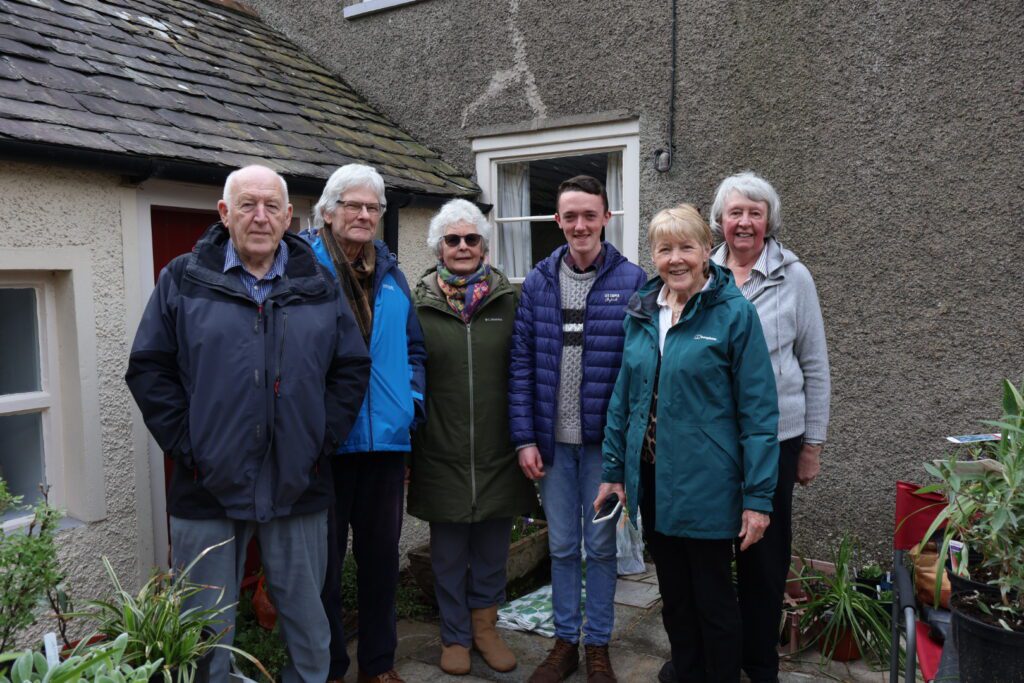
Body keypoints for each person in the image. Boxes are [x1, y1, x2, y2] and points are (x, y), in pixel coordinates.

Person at [126, 165, 370, 683]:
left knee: (309, 625)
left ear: (288, 217)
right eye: (246, 205)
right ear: (224, 213)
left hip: (299, 480)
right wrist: (188, 446)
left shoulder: (318, 284)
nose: (259, 216)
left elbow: (350, 368)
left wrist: (319, 440)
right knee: (201, 631)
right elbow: (149, 368)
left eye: (270, 206)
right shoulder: (182, 279)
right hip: (205, 483)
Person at [596, 203, 780, 683]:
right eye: (664, 249)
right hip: (653, 478)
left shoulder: (732, 313)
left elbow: (759, 412)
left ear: (705, 251)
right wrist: (614, 471)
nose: (676, 259)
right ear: (653, 255)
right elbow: (624, 397)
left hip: (709, 481)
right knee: (674, 593)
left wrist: (758, 499)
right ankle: (688, 669)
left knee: (713, 596)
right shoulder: (643, 309)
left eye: (686, 247)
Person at [509, 175, 647, 683]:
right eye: (571, 216)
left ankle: (598, 646)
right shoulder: (539, 281)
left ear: (606, 218)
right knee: (563, 547)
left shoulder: (633, 281)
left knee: (602, 548)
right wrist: (524, 437)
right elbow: (521, 363)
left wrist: (626, 451)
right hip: (551, 447)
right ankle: (565, 642)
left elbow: (640, 373)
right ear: (558, 221)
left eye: (590, 215)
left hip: (601, 451)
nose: (580, 225)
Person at [305, 164, 426, 683]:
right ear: (328, 213)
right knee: (324, 572)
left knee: (381, 568)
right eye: (352, 206)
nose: (362, 215)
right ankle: (329, 667)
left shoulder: (392, 273)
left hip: (385, 446)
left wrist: (411, 403)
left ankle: (378, 666)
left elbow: (414, 348)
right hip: (326, 446)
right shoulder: (302, 269)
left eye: (372, 207)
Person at [408, 198, 538, 676]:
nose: (462, 247)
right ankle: (455, 635)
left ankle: (485, 627)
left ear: (484, 244)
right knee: (447, 553)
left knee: (490, 549)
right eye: (452, 239)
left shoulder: (509, 299)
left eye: (471, 239)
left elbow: (526, 370)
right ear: (438, 247)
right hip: (439, 449)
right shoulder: (416, 303)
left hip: (498, 448)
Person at [709, 171, 831, 683]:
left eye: (754, 213)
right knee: (712, 555)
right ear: (719, 221)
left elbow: (815, 363)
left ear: (768, 221)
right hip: (713, 439)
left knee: (765, 558)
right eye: (735, 212)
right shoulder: (702, 273)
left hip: (778, 440)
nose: (744, 222)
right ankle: (715, 657)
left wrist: (812, 446)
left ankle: (759, 664)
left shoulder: (794, 277)